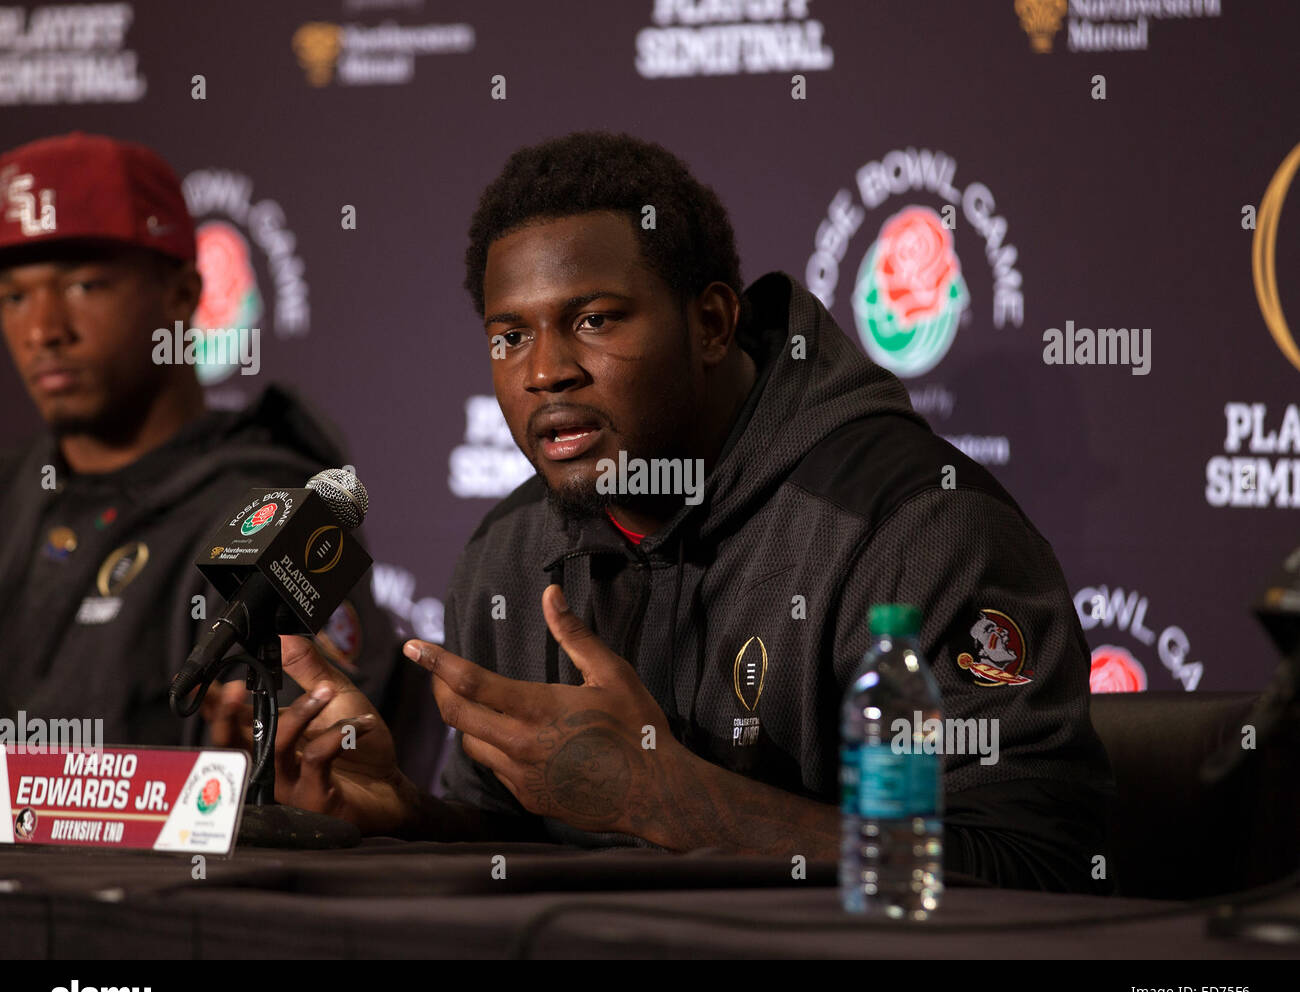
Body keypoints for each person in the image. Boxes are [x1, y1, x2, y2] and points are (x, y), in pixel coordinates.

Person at [256, 130, 1116, 893]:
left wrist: (671, 800)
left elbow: (1038, 871)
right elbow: (518, 852)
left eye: (593, 319)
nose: (544, 372)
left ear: (710, 323)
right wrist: (405, 816)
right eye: (508, 335)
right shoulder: (510, 554)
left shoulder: (916, 531)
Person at [0, 132, 402, 749]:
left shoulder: (271, 513)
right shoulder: (12, 492)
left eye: (84, 285)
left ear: (184, 295)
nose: (44, 331)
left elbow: (324, 773)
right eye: (15, 297)